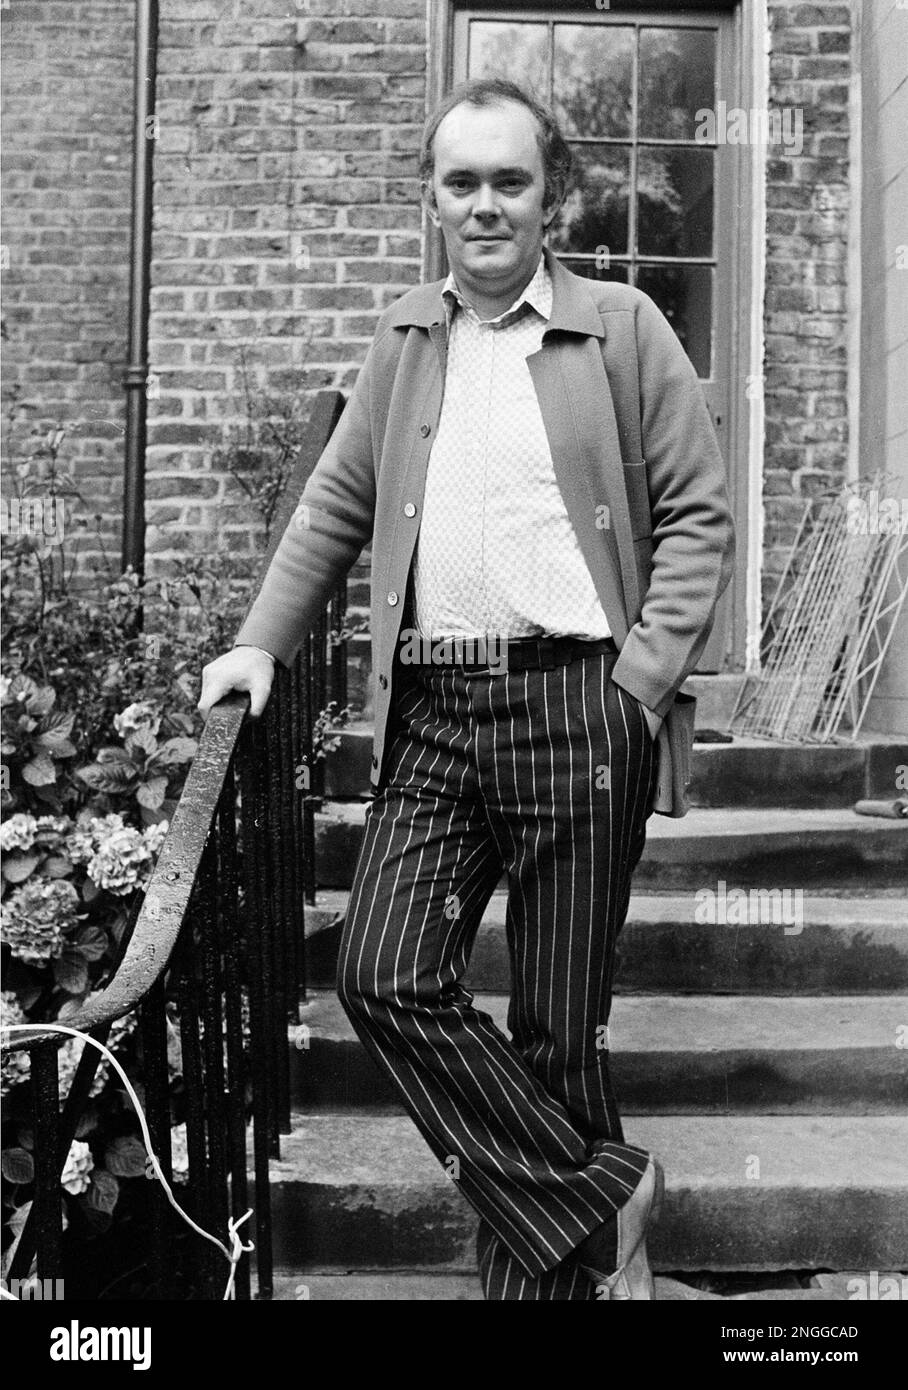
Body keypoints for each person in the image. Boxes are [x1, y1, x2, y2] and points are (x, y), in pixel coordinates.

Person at [198, 78, 735, 1301]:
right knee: (383, 974)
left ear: (550, 196)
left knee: (555, 1031)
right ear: (430, 199)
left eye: (509, 181)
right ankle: (607, 1199)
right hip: (435, 710)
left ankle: (541, 1286)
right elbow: (335, 501)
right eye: (460, 182)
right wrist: (261, 642)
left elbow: (699, 513)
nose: (484, 204)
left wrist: (637, 686)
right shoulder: (404, 339)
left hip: (577, 705)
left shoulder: (623, 326)